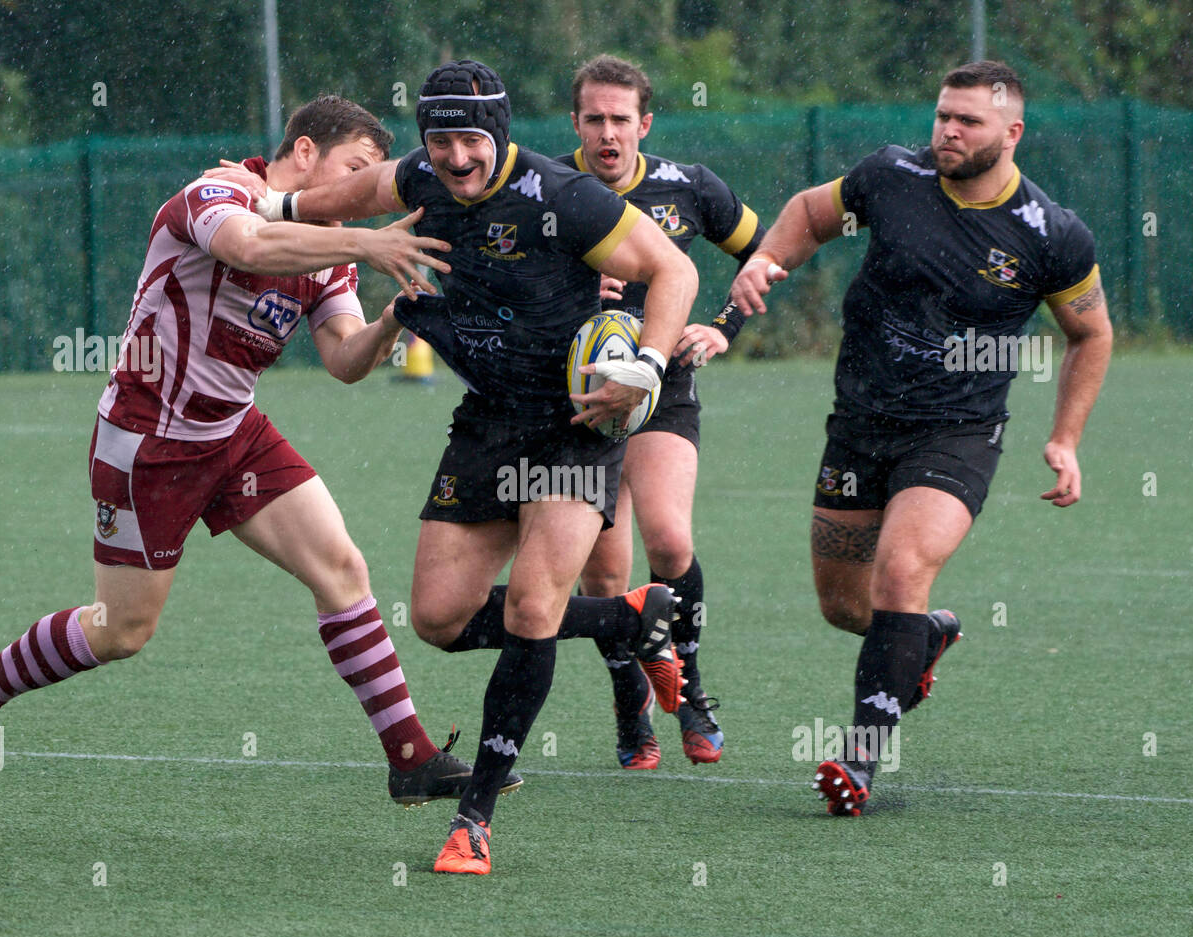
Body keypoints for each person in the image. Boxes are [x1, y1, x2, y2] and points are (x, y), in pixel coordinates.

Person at [0, 95, 497, 811]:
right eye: (353, 170)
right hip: (149, 443)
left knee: (343, 567)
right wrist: (370, 243)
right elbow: (250, 246)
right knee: (122, 631)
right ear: (302, 155)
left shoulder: (331, 251)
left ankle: (409, 757)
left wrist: (396, 314)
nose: (358, 196)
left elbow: (345, 360)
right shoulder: (219, 192)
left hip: (233, 434)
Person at [225, 60, 699, 874]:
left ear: (500, 135)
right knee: (440, 618)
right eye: (439, 139)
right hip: (487, 423)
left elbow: (676, 269)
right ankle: (629, 617)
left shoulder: (566, 198)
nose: (453, 157)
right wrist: (264, 201)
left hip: (575, 424)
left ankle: (474, 818)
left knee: (532, 608)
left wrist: (648, 368)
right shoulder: (418, 175)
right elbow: (347, 195)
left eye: (469, 139)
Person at [730, 60, 1113, 816]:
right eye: (943, 115)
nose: (947, 130)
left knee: (900, 571)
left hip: (958, 432)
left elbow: (1090, 333)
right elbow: (810, 215)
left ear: (1012, 133)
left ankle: (861, 761)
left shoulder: (1051, 233)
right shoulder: (890, 177)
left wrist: (1066, 437)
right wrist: (766, 261)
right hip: (860, 424)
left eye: (967, 121)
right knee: (845, 607)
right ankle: (926, 637)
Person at [558, 55, 767, 770]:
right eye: (595, 119)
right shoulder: (548, 190)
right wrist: (579, 290)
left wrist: (723, 325)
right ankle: (627, 693)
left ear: (644, 123)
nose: (608, 133)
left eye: (622, 119)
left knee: (670, 545)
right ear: (576, 123)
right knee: (603, 581)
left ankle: (695, 691)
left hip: (662, 386)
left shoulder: (688, 188)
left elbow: (766, 251)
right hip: (578, 400)